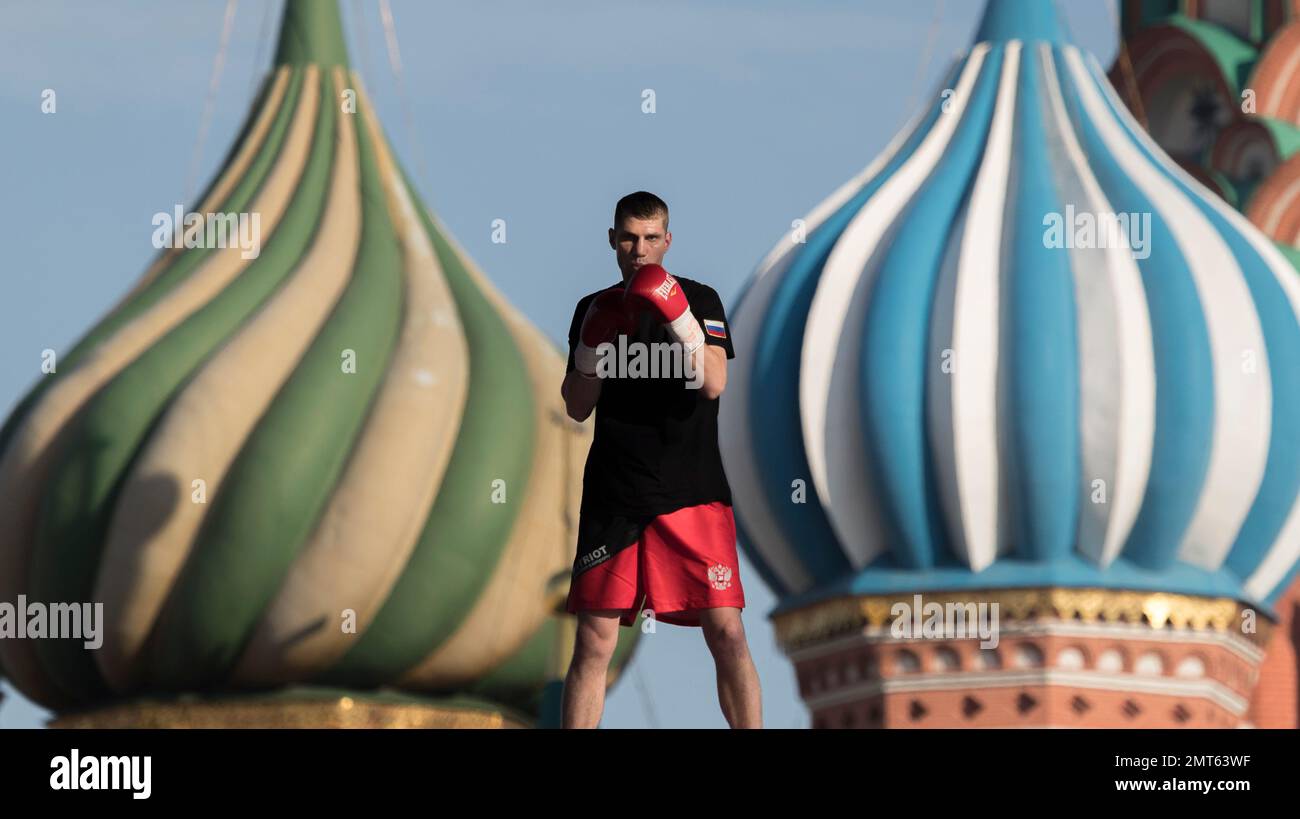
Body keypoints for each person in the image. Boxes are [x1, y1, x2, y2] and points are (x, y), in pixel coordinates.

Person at [559, 191, 762, 728]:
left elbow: (714, 382)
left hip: (690, 490)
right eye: (629, 238)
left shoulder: (701, 299)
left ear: (667, 241)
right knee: (594, 640)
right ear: (612, 240)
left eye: (651, 238)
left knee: (726, 629)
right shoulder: (593, 308)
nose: (639, 250)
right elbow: (577, 407)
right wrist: (588, 351)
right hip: (615, 494)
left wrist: (678, 317)